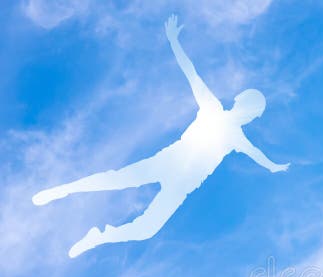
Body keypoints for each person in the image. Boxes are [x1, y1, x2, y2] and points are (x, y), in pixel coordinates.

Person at [32, 14, 289, 258]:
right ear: (243, 106)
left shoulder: (235, 136)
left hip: (182, 185)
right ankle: (63, 190)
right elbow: (192, 75)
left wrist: (273, 166)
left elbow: (256, 153)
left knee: (147, 229)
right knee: (115, 180)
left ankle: (99, 237)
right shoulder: (213, 109)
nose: (250, 117)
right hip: (170, 161)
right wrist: (174, 41)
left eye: (253, 116)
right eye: (252, 112)